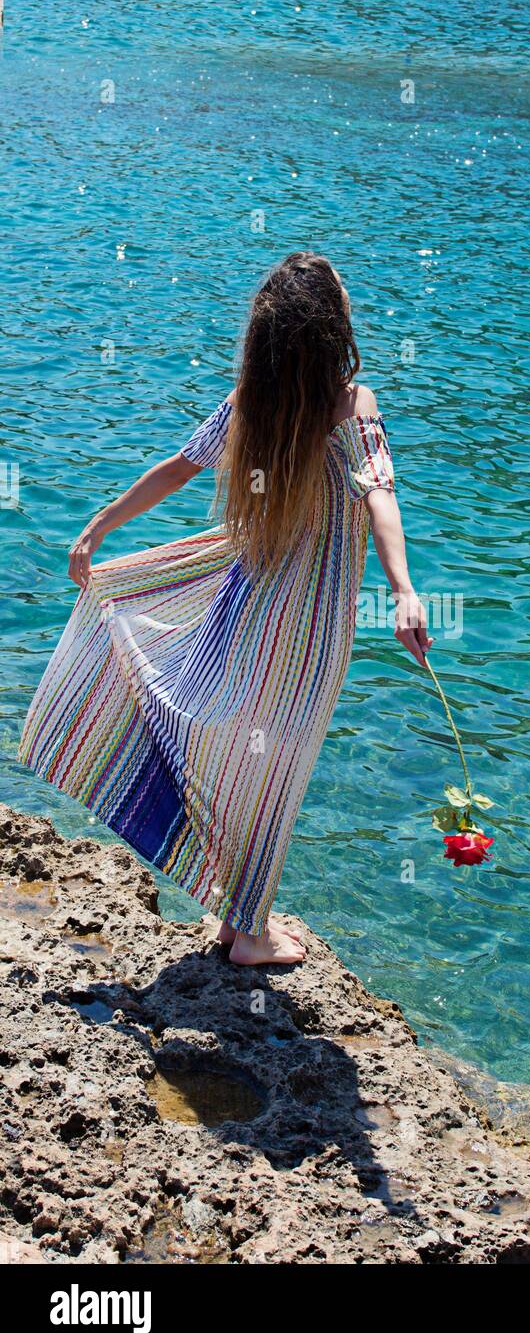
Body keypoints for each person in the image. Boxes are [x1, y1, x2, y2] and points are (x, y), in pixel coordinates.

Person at [18, 252, 430, 965]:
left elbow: (180, 467)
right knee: (276, 764)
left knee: (239, 748)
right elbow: (379, 493)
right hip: (305, 624)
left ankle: (237, 915)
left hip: (245, 600)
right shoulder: (349, 404)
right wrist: (402, 589)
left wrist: (99, 526)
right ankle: (251, 932)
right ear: (332, 331)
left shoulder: (252, 402)